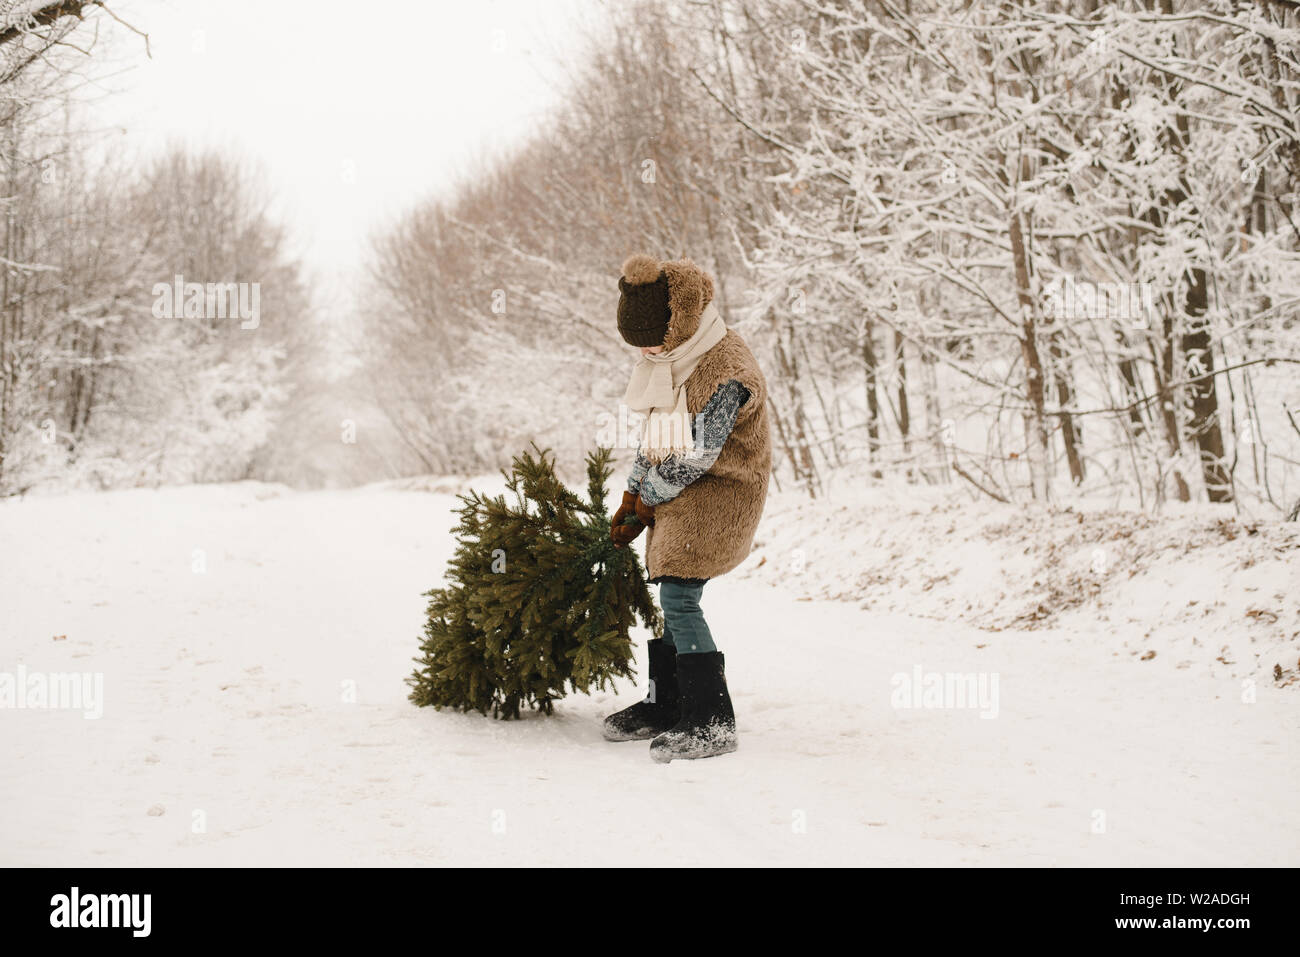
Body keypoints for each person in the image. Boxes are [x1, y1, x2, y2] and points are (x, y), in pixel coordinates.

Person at [603, 254, 771, 762]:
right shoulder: (671, 361)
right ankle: (666, 702)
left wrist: (648, 498)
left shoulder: (728, 370)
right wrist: (633, 494)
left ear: (678, 321)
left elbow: (698, 452)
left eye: (651, 340)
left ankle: (711, 720)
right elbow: (654, 439)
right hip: (680, 487)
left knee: (679, 592)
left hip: (725, 490)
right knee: (669, 590)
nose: (647, 352)